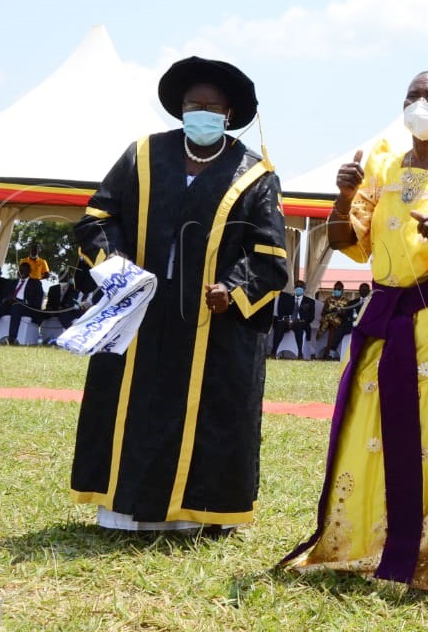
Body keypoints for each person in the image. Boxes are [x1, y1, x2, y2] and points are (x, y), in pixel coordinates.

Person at [282, 70, 428, 591]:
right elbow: (349, 241)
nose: (421, 103)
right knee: (374, 422)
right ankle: (370, 539)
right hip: (389, 315)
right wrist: (343, 196)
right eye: (413, 95)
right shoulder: (382, 163)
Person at [69, 56, 288, 533]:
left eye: (212, 106)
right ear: (180, 108)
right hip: (140, 315)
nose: (202, 112)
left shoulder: (254, 174)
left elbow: (271, 255)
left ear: (228, 115)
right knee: (134, 405)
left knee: (208, 411)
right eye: (194, 104)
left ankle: (199, 514)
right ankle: (122, 509)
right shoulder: (141, 156)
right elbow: (97, 220)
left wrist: (233, 288)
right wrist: (118, 270)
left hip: (212, 324)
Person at [0, 262, 43, 344]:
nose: (22, 272)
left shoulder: (35, 283)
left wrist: (20, 301)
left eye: (24, 270)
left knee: (16, 306)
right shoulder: (12, 282)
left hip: (26, 308)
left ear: (29, 271)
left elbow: (37, 300)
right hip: (9, 306)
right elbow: (3, 296)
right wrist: (6, 299)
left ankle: (12, 338)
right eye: (20, 270)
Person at [272, 279, 316, 358]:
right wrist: (287, 319)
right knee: (280, 325)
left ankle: (299, 353)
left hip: (301, 323)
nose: (299, 288)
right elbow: (282, 313)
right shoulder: (288, 299)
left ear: (304, 288)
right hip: (288, 322)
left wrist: (300, 320)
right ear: (294, 288)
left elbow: (311, 317)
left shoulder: (310, 301)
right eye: (297, 286)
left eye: (301, 286)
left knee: (298, 325)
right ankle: (274, 351)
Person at [315, 280, 354, 360]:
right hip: (327, 320)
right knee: (331, 325)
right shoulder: (329, 299)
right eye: (335, 289)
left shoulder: (347, 301)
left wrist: (339, 312)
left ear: (342, 290)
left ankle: (328, 352)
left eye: (339, 289)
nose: (337, 291)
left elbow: (346, 315)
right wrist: (330, 310)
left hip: (339, 321)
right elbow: (323, 313)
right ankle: (328, 352)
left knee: (332, 327)